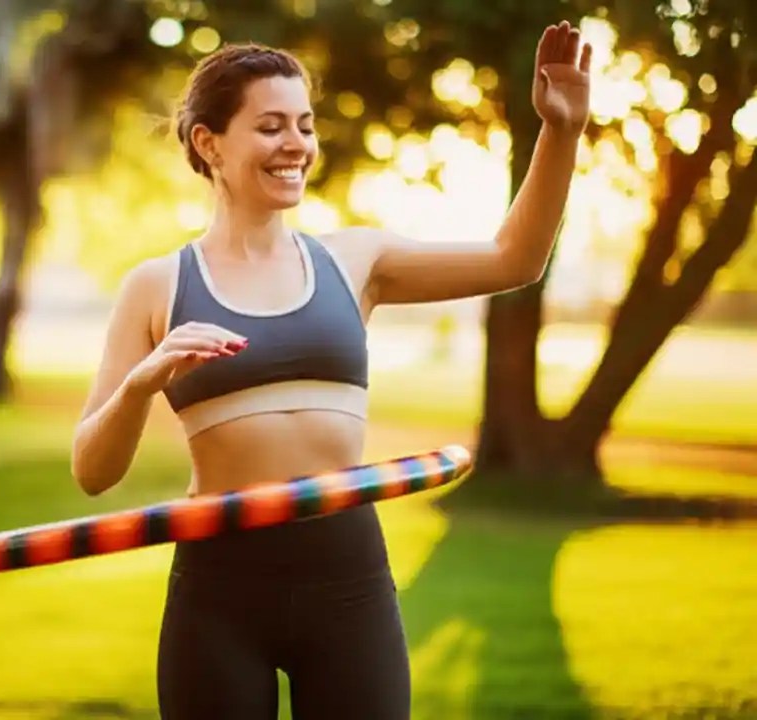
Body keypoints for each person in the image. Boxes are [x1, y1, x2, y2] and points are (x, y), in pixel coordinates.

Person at [70, 20, 592, 720]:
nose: (297, 145)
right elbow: (92, 471)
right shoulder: (157, 286)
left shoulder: (356, 261)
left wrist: (560, 133)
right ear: (209, 142)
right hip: (219, 588)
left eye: (306, 126)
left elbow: (515, 260)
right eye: (271, 126)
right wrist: (144, 383)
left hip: (346, 581)